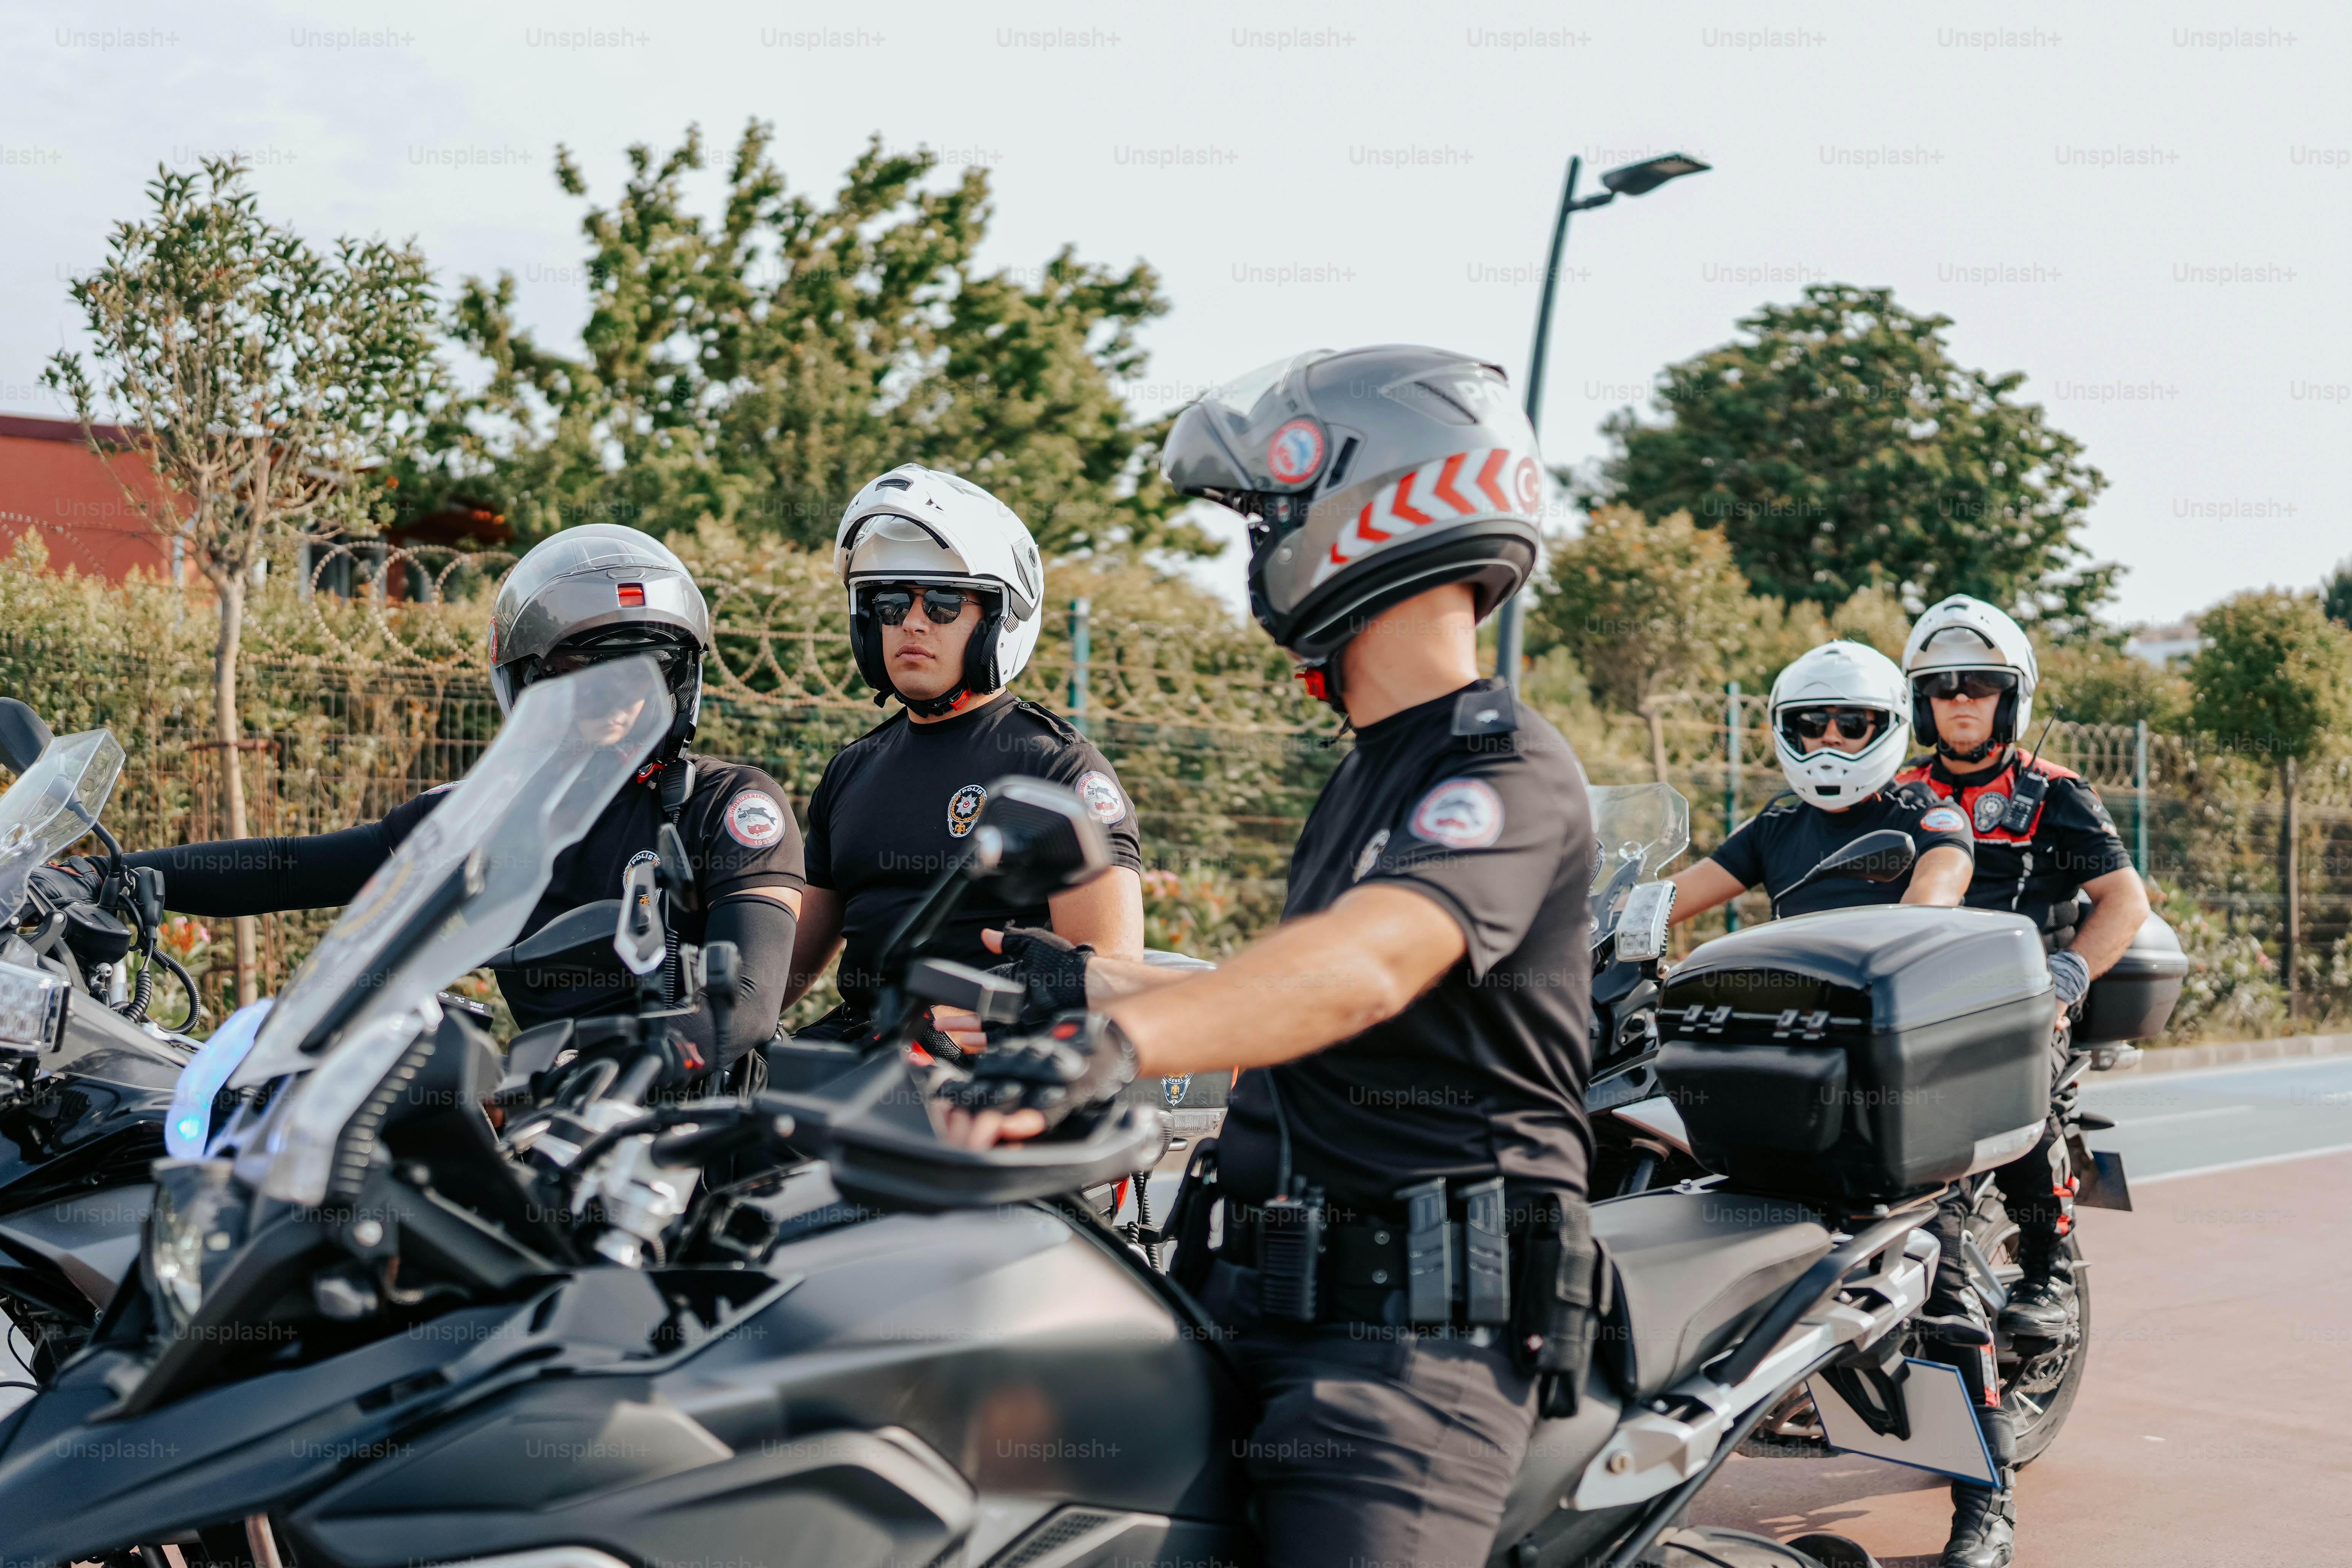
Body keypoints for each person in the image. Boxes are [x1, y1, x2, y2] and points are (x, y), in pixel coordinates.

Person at [938, 346, 1598, 1568]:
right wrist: (1069, 986)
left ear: (1359, 512)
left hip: (1407, 1352)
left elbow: (1362, 967)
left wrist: (1111, 1046)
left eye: (1264, 520)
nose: (1255, 556)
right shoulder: (1371, 769)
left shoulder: (1497, 766)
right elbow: (1297, 1002)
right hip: (1246, 1291)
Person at [40, 525, 803, 1072]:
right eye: (588, 668)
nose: (623, 696)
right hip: (547, 1133)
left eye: (651, 666)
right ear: (531, 682)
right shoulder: (487, 811)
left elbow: (749, 1003)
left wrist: (575, 1067)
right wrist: (104, 875)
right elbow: (290, 867)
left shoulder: (728, 807)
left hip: (688, 1154)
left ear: (680, 681)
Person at [1892, 595, 2151, 1568]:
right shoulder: (1899, 786)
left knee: (2010, 1102)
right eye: (1942, 688)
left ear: (2012, 698)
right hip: (1915, 1011)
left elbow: (2124, 899)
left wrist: (2070, 976)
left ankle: (2043, 1263)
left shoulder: (2053, 791)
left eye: (1980, 687)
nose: (1961, 702)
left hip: (2014, 1004)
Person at [781, 464, 1144, 1048]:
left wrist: (1010, 1020)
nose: (914, 622)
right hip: (854, 1060)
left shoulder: (1054, 766)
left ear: (997, 621)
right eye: (891, 601)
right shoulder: (852, 769)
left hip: (984, 1073)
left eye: (945, 603)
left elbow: (1108, 976)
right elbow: (781, 971)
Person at [1666, 640, 1976, 925]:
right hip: (1792, 984)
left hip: (1888, 983)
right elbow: (1673, 899)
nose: (1829, 736)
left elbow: (1933, 898)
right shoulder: (1773, 827)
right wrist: (1625, 914)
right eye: (1811, 724)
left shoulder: (1930, 821)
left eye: (1851, 724)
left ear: (1884, 728)